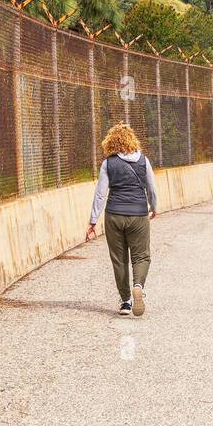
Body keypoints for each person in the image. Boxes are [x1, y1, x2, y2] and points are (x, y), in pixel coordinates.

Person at [85, 123, 158, 317]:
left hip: (114, 214)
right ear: (132, 140)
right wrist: (154, 206)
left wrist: (93, 221)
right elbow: (151, 187)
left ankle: (125, 301)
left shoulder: (108, 163)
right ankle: (138, 285)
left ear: (111, 142)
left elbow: (100, 194)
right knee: (141, 256)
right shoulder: (144, 160)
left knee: (119, 260)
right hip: (138, 214)